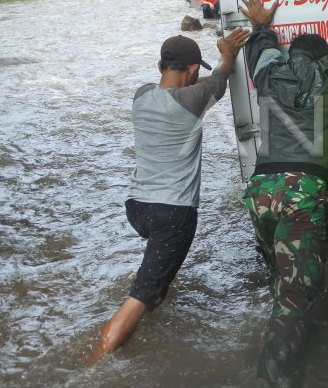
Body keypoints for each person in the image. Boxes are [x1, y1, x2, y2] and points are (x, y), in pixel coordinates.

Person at [238, 0, 328, 388]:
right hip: (303, 191)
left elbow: (258, 50)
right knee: (298, 293)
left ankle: (279, 344)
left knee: (282, 278)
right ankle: (271, 382)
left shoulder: (269, 73)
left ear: (289, 53)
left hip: (261, 190)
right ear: (323, 55)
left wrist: (262, 24)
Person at [90, 29, 249, 363]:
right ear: (192, 70)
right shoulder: (194, 99)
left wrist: (205, 68)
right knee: (141, 294)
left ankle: (155, 311)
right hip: (173, 212)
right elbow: (220, 76)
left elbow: (198, 83)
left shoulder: (142, 94)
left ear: (159, 64)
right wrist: (226, 55)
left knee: (159, 280)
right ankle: (95, 361)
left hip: (137, 207)